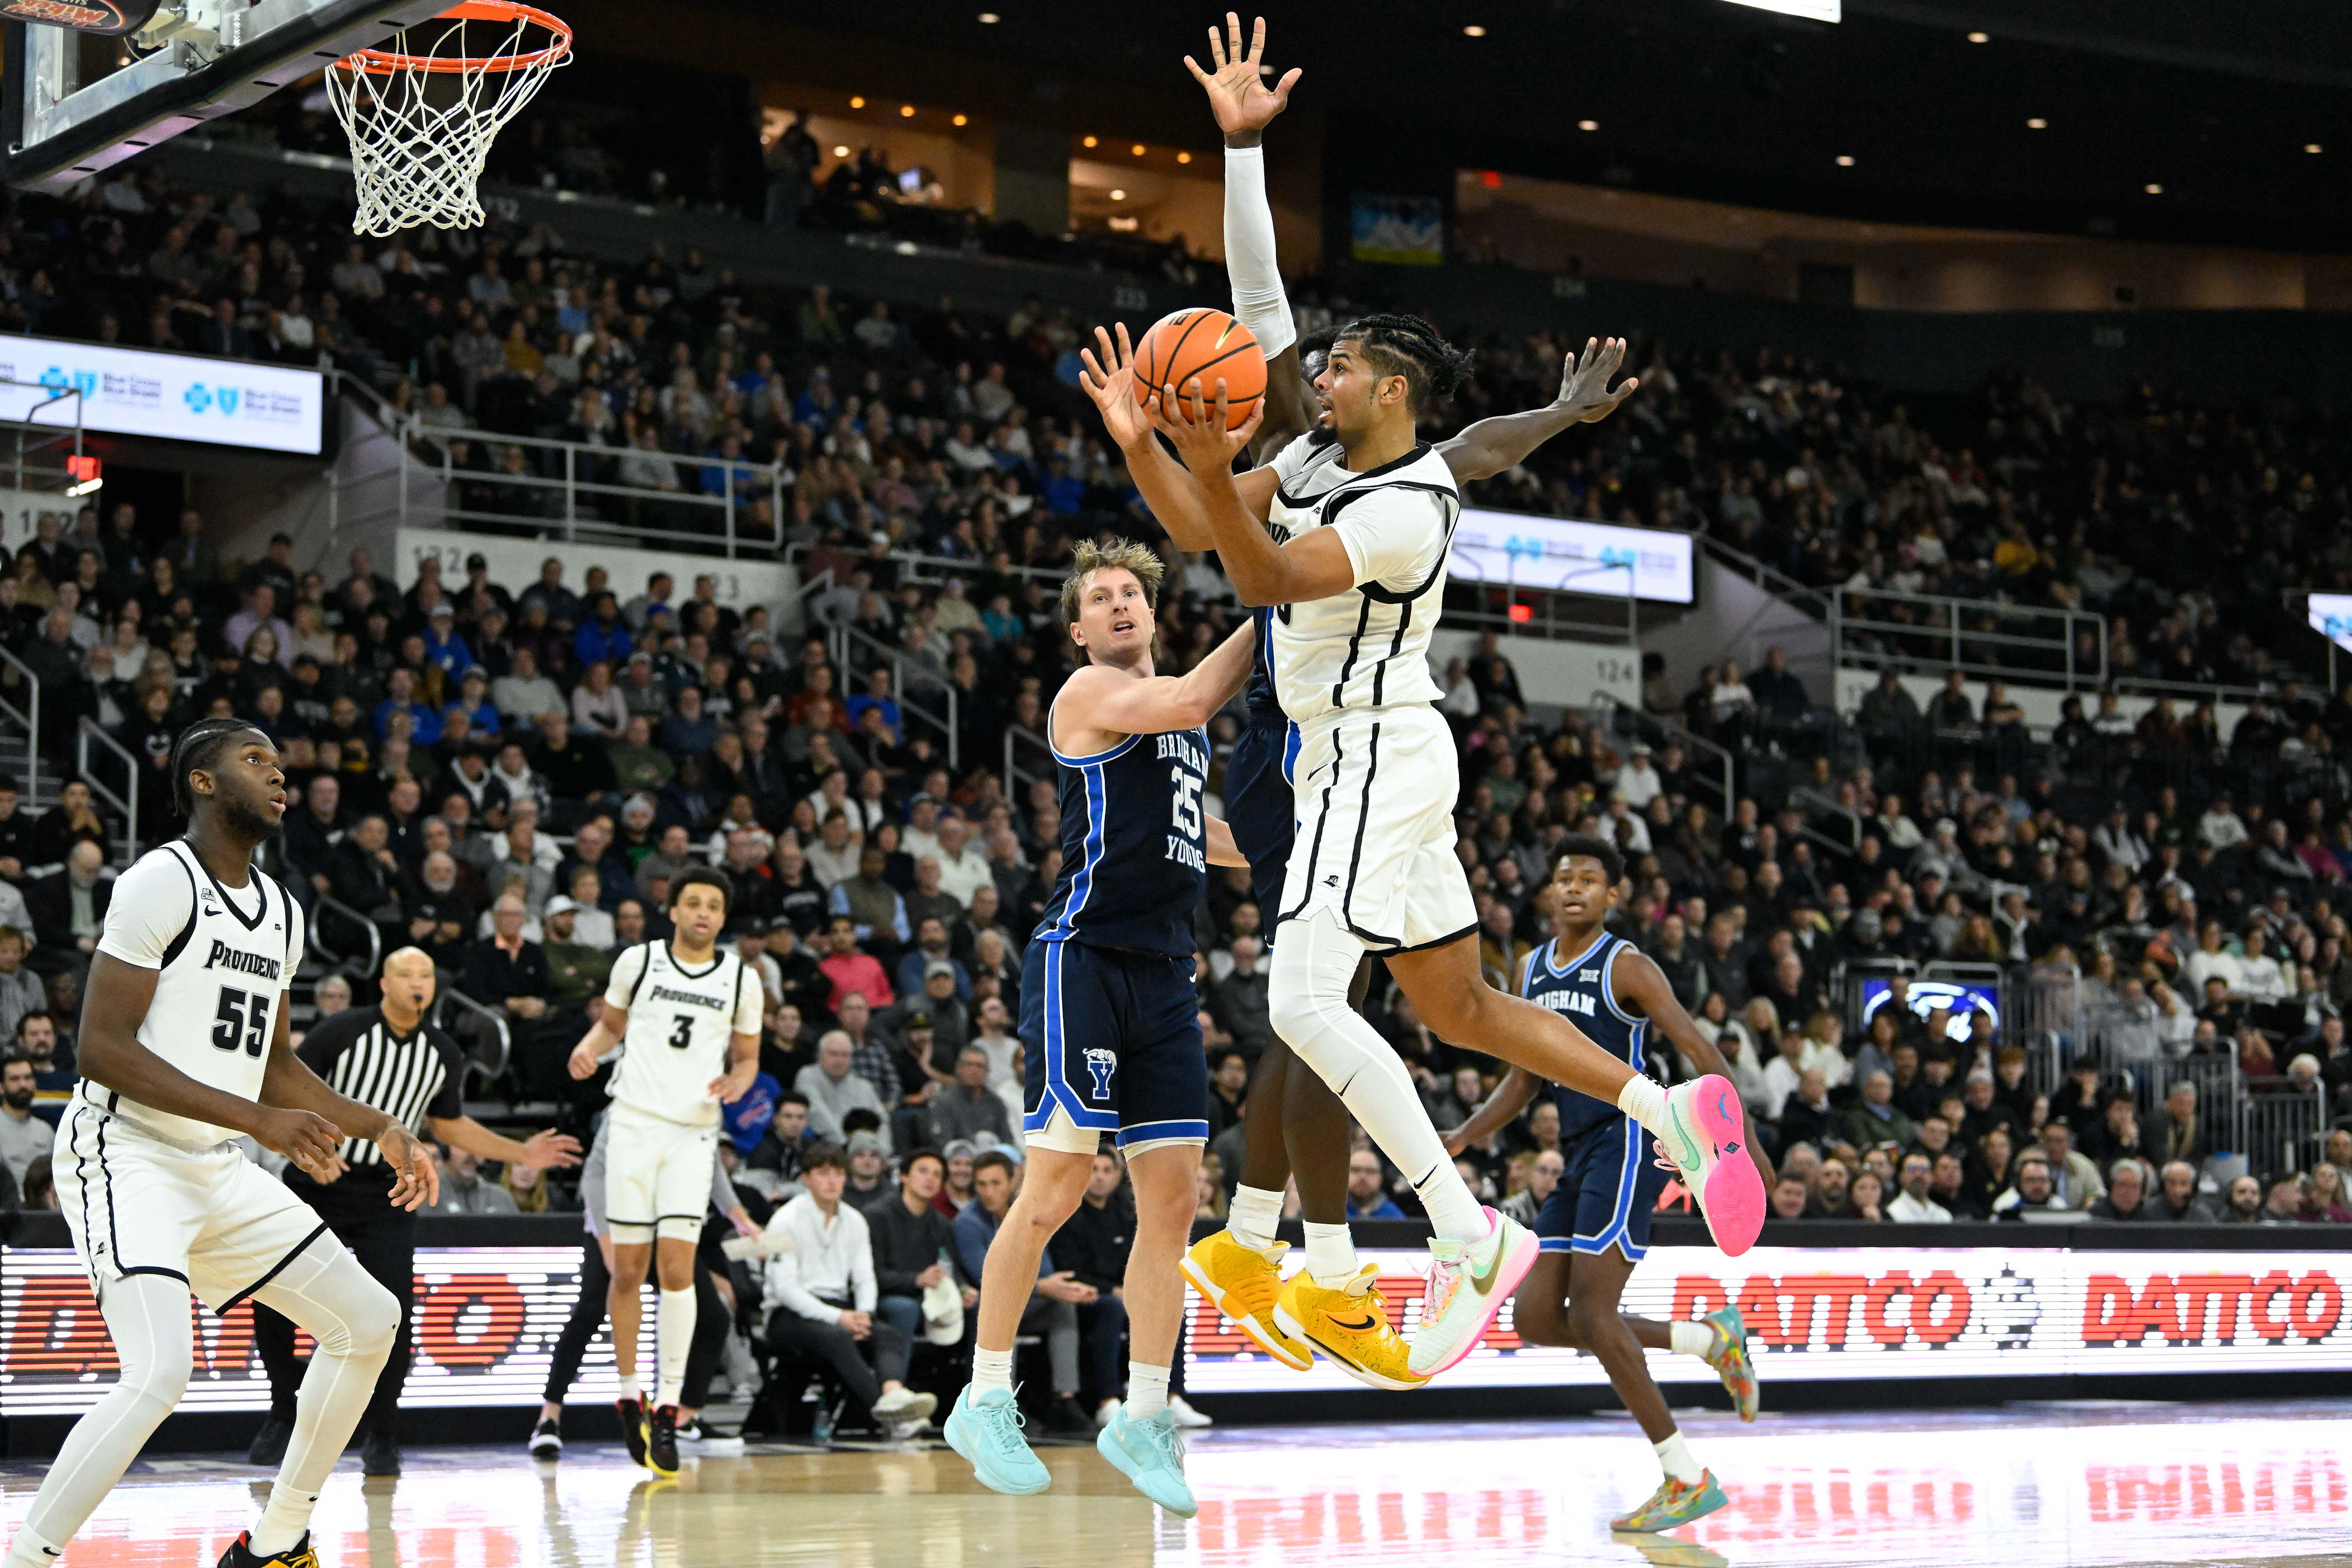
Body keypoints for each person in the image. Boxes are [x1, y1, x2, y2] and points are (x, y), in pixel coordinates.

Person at [1097, 80, 1755, 1389]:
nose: (1310, 376)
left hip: (1363, 753)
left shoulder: (1401, 504)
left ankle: (1466, 1230)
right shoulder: (1319, 463)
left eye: (1334, 367)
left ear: (1384, 387)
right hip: (1382, 755)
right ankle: (1661, 1105)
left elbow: (1261, 578)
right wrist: (1143, 444)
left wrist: (1208, 459)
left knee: (1297, 998)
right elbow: (1192, 523)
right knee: (1454, 1005)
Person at [6, 717, 427, 1568]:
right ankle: (27, 1557)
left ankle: (277, 1542)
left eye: (280, 762)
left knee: (370, 1321)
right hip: (124, 1153)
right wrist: (256, 1121)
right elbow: (102, 1050)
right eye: (255, 760)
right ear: (203, 782)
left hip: (214, 1164)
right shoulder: (161, 880)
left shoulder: (278, 910)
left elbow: (272, 1067)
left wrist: (375, 1123)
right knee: (160, 1374)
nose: (279, 775)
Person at [943, 538, 1253, 1516]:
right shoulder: (1087, 692)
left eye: (1132, 593)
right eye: (1101, 598)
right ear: (1078, 628)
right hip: (1082, 958)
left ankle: (1147, 1412)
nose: (1119, 605)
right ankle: (986, 1392)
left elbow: (1199, 834)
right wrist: (1282, 601)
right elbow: (1197, 697)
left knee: (1174, 1201)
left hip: (1166, 971)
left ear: (1153, 614)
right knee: (1059, 1183)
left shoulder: (1178, 729)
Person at [1444, 837, 1762, 1532]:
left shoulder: (1628, 965)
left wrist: (1744, 1143)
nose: (1574, 888)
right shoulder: (1528, 968)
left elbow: (1698, 1049)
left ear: (1613, 895)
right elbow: (1526, 1077)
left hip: (1627, 1140)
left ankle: (1686, 1475)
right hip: (1577, 1148)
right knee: (1533, 1316)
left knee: (1592, 1312)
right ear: (1549, 891)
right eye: (1563, 878)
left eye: (1590, 879)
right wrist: (1466, 1133)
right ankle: (1709, 1339)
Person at [248, 947, 580, 1476]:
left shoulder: (444, 1051)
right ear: (384, 982)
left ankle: (383, 1432)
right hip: (319, 1178)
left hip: (387, 1190)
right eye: (406, 973)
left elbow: (448, 1126)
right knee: (273, 1295)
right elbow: (289, 1086)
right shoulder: (342, 1031)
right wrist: (310, 1151)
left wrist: (522, 1153)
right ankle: (283, 1411)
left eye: (426, 974)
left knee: (393, 1312)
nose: (416, 983)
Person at [565, 866, 763, 1476]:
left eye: (713, 905)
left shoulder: (741, 978)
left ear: (722, 918)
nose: (703, 912)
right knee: (627, 1268)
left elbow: (750, 1056)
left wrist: (739, 1080)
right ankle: (630, 1390)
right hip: (632, 1124)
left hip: (693, 1133)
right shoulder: (639, 961)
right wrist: (589, 1047)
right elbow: (612, 1025)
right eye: (693, 902)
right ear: (673, 910)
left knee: (678, 1269)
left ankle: (670, 1406)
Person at [528, 1111, 758, 1461]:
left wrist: (739, 1217)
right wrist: (606, 1242)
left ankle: (679, 1417)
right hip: (617, 1219)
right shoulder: (629, 1097)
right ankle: (550, 1418)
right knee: (590, 1310)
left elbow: (710, 1163)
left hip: (668, 1220)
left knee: (713, 1317)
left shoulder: (704, 1099)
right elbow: (595, 1173)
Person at [762, 1142, 938, 1438]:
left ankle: (894, 1393)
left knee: (886, 1332)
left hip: (841, 1307)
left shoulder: (855, 1220)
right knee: (837, 1336)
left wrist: (865, 1314)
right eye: (823, 1174)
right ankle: (892, 1417)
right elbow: (785, 1289)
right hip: (787, 1313)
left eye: (839, 1174)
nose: (832, 1181)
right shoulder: (784, 1220)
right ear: (806, 1179)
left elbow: (865, 1278)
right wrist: (839, 1318)